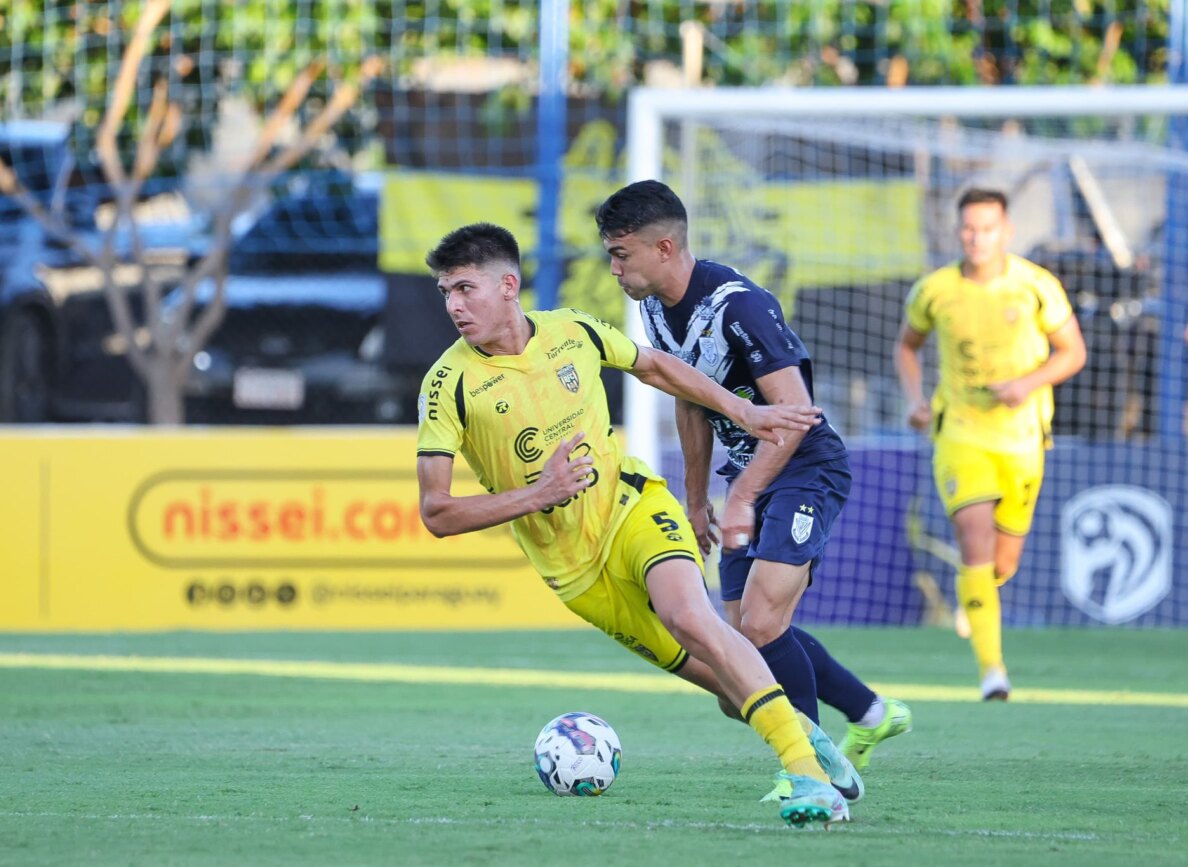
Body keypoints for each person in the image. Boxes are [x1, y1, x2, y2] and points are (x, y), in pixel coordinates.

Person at [416, 223, 856, 828]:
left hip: (631, 507)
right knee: (724, 686)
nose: (454, 306)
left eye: (465, 288)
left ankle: (809, 777)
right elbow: (437, 513)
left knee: (693, 619)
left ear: (508, 286)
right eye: (446, 292)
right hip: (574, 572)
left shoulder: (572, 330)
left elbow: (655, 367)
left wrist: (741, 409)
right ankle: (811, 737)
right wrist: (540, 494)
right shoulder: (447, 385)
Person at [594, 181, 911, 780]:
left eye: (621, 254)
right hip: (750, 476)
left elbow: (796, 413)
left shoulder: (739, 306)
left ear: (664, 248)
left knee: (761, 627)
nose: (614, 269)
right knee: (738, 660)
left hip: (804, 466)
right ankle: (871, 712)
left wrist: (741, 496)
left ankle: (816, 776)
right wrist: (695, 500)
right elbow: (689, 400)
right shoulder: (655, 308)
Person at [894, 188, 1087, 700]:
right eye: (968, 228)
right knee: (973, 538)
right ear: (957, 231)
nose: (976, 238)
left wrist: (1027, 384)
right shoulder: (934, 289)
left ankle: (975, 593)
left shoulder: (1036, 286)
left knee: (1002, 564)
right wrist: (915, 400)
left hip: (1023, 438)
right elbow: (907, 346)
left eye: (986, 228)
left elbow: (1073, 352)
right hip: (960, 432)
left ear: (1006, 232)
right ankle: (992, 671)